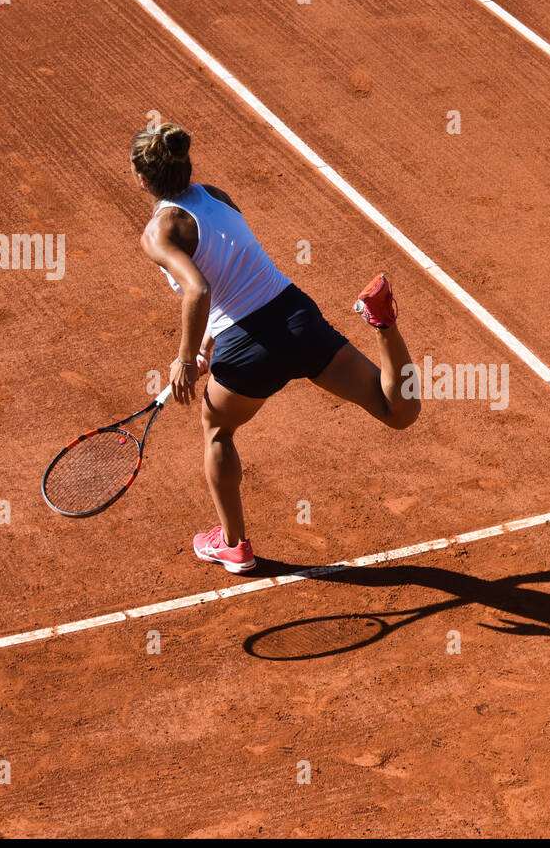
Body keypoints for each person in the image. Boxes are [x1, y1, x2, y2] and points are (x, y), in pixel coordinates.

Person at [131, 122, 420, 572]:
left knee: (217, 430)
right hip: (295, 316)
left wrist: (186, 360)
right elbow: (235, 270)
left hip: (249, 348)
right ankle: (382, 323)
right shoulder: (216, 196)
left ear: (140, 179)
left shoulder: (157, 232)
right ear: (186, 167)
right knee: (399, 413)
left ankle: (233, 545)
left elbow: (199, 289)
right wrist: (208, 342)